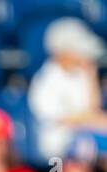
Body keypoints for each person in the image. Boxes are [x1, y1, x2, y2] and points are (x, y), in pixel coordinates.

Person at [28, 17, 107, 161]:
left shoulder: (81, 74)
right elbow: (62, 120)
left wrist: (91, 76)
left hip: (88, 134)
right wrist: (99, 120)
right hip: (56, 146)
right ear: (63, 51)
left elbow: (94, 108)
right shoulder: (45, 80)